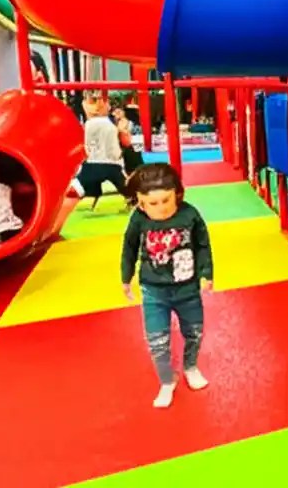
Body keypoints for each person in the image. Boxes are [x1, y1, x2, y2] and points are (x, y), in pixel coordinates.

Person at [121, 163, 214, 408]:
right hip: (154, 290)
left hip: (187, 288)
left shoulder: (189, 215)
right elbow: (129, 248)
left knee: (194, 331)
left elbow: (203, 244)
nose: (161, 208)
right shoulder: (139, 220)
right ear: (140, 202)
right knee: (157, 339)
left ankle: (190, 366)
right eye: (153, 203)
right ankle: (166, 381)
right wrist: (125, 277)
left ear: (177, 194)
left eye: (166, 200)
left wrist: (207, 272)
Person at [79, 91, 127, 209]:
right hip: (109, 163)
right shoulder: (98, 122)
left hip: (96, 163)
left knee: (83, 189)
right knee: (128, 190)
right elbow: (126, 142)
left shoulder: (91, 123)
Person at [112, 105, 144, 174]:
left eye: (119, 112)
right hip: (126, 148)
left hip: (131, 147)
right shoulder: (117, 123)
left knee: (134, 167)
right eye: (115, 112)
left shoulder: (127, 122)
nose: (116, 113)